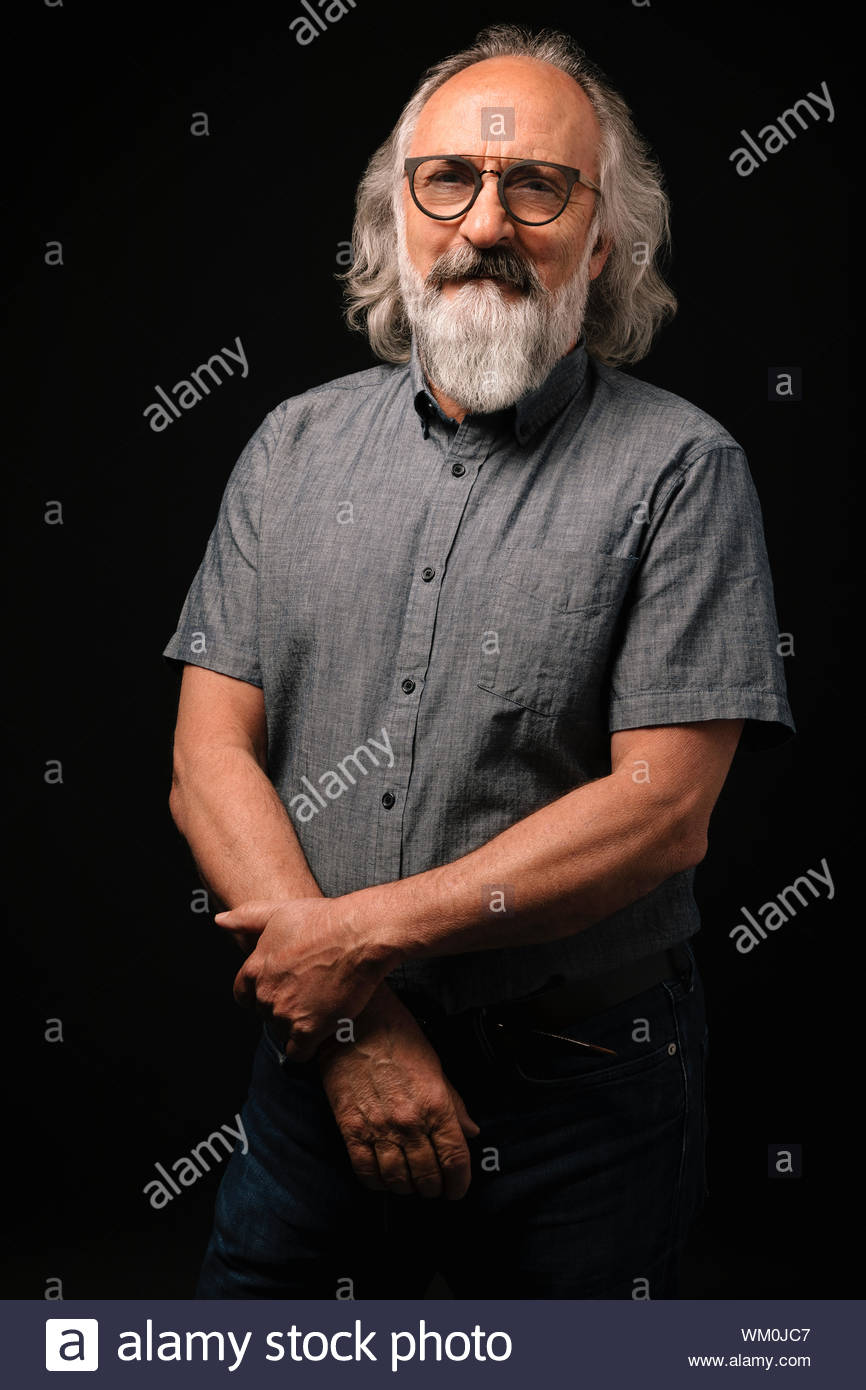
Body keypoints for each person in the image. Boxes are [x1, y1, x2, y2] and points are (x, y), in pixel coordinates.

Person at [163, 23, 794, 1299]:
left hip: (584, 1087)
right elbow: (204, 757)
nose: (484, 221)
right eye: (444, 179)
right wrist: (350, 1025)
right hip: (310, 1075)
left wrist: (346, 952)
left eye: (535, 186)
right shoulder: (290, 447)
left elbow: (660, 811)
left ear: (603, 237)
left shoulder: (683, 469)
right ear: (394, 218)